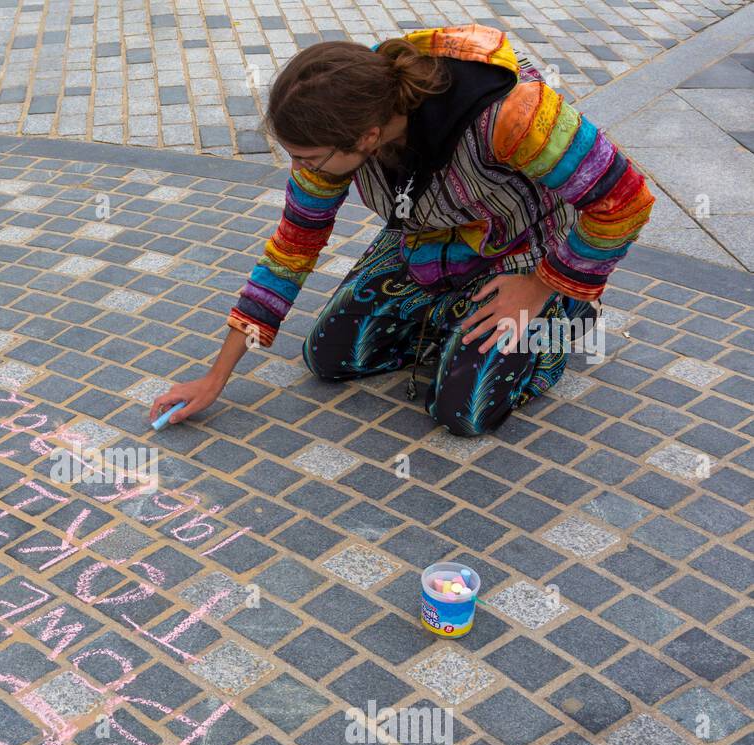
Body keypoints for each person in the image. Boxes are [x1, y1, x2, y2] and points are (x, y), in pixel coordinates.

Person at [150, 23, 655, 437]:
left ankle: (568, 314)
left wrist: (540, 286)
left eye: (307, 157)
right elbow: (292, 248)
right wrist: (217, 377)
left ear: (368, 136)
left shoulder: (513, 116)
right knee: (329, 356)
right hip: (430, 240)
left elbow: (626, 200)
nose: (300, 168)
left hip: (527, 248)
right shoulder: (345, 126)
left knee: (463, 411)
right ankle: (458, 315)